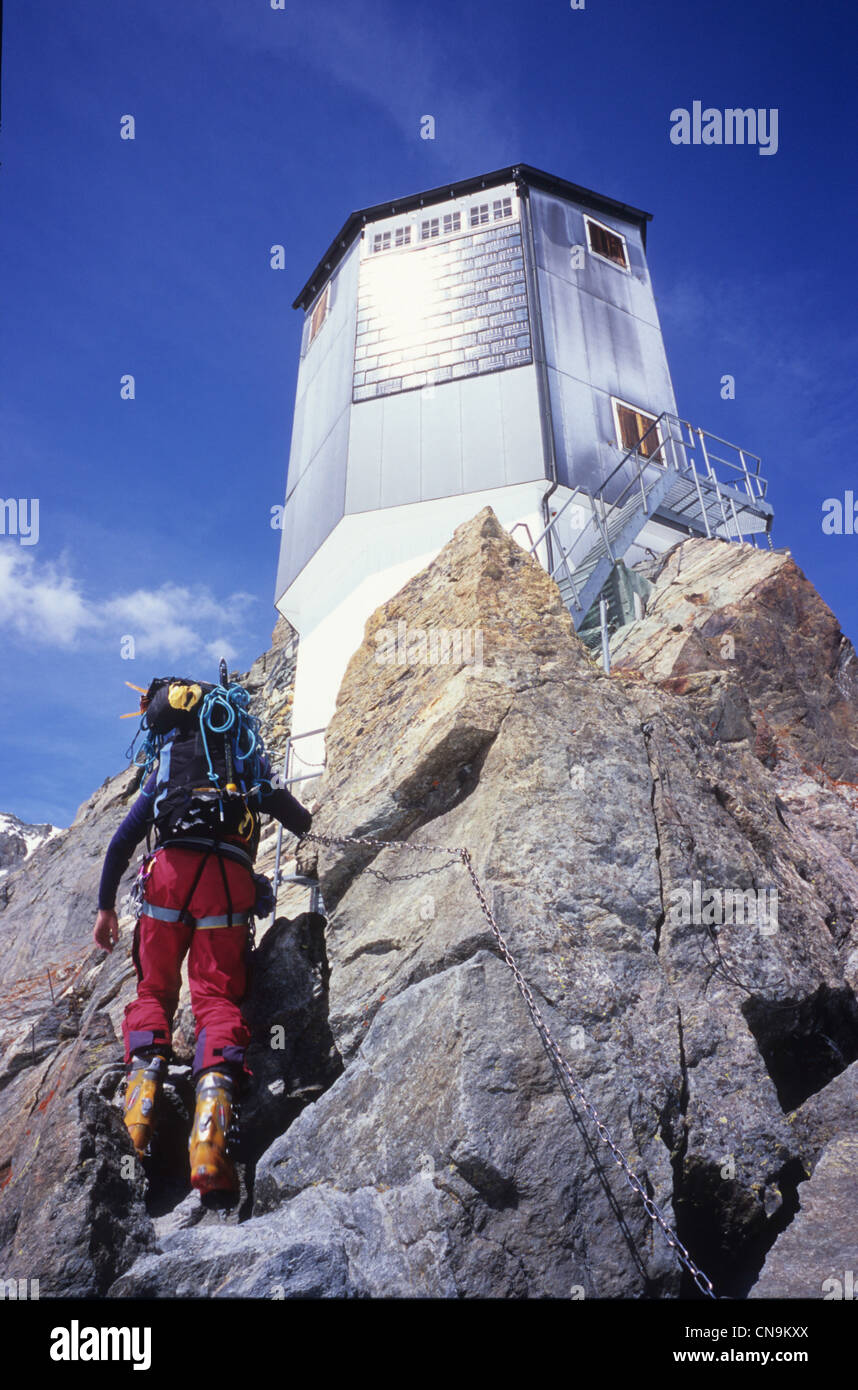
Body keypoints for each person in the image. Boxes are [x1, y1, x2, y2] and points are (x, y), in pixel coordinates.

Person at [93, 674, 312, 1197]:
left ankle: (139, 1122)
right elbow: (282, 804)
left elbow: (123, 841)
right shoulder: (241, 754)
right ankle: (209, 1144)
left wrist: (106, 908)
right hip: (229, 881)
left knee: (153, 993)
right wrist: (309, 828)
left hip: (168, 875)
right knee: (216, 999)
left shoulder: (165, 762)